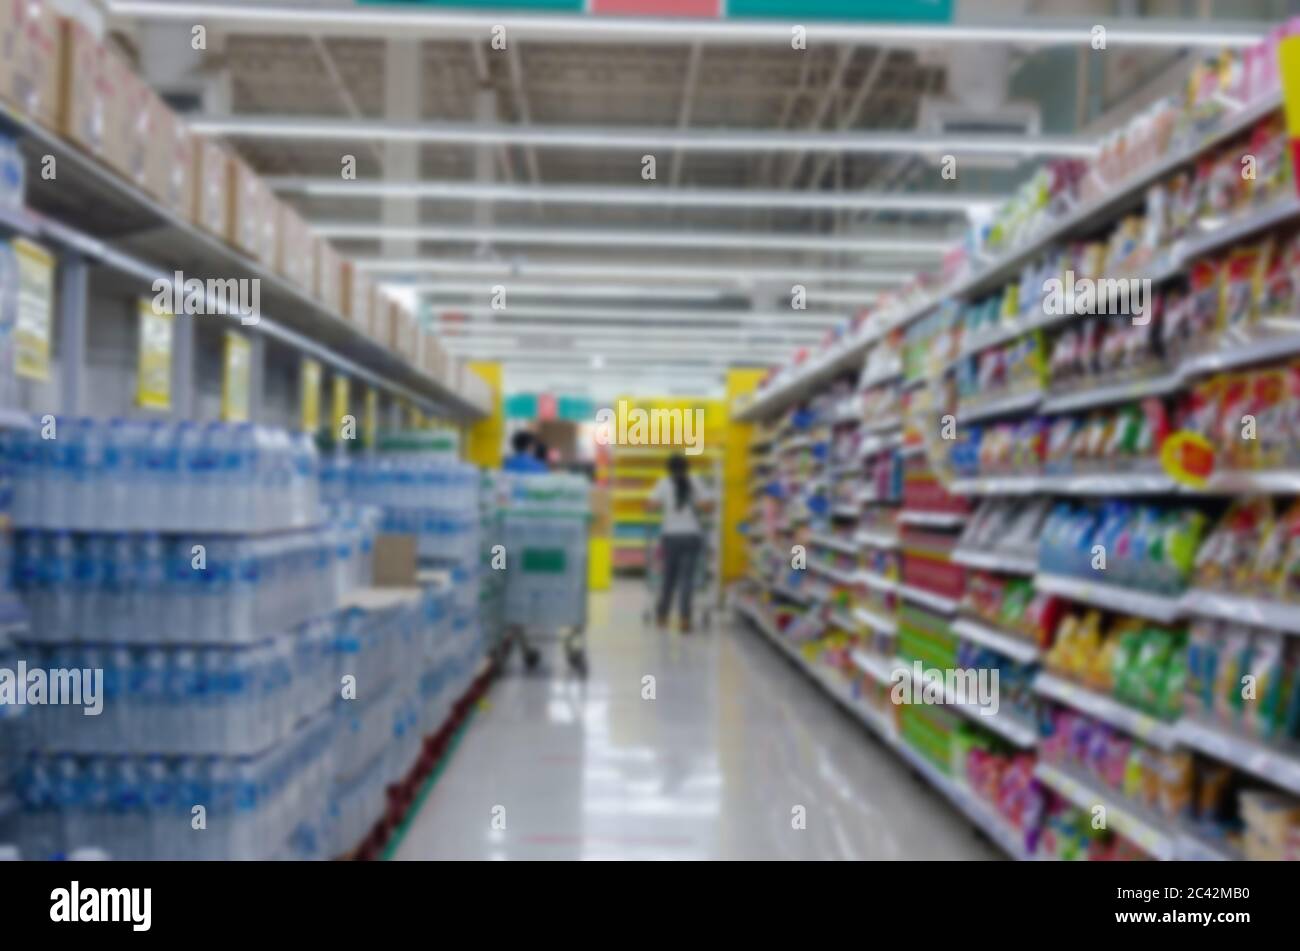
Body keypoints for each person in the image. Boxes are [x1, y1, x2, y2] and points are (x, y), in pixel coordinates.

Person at [647, 453, 712, 633]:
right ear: (687, 467)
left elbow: (651, 505)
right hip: (692, 536)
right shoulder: (696, 481)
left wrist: (663, 504)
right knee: (687, 580)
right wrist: (696, 504)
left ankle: (662, 615)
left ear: (669, 469)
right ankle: (685, 619)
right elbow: (708, 506)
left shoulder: (664, 482)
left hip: (670, 536)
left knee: (668, 578)